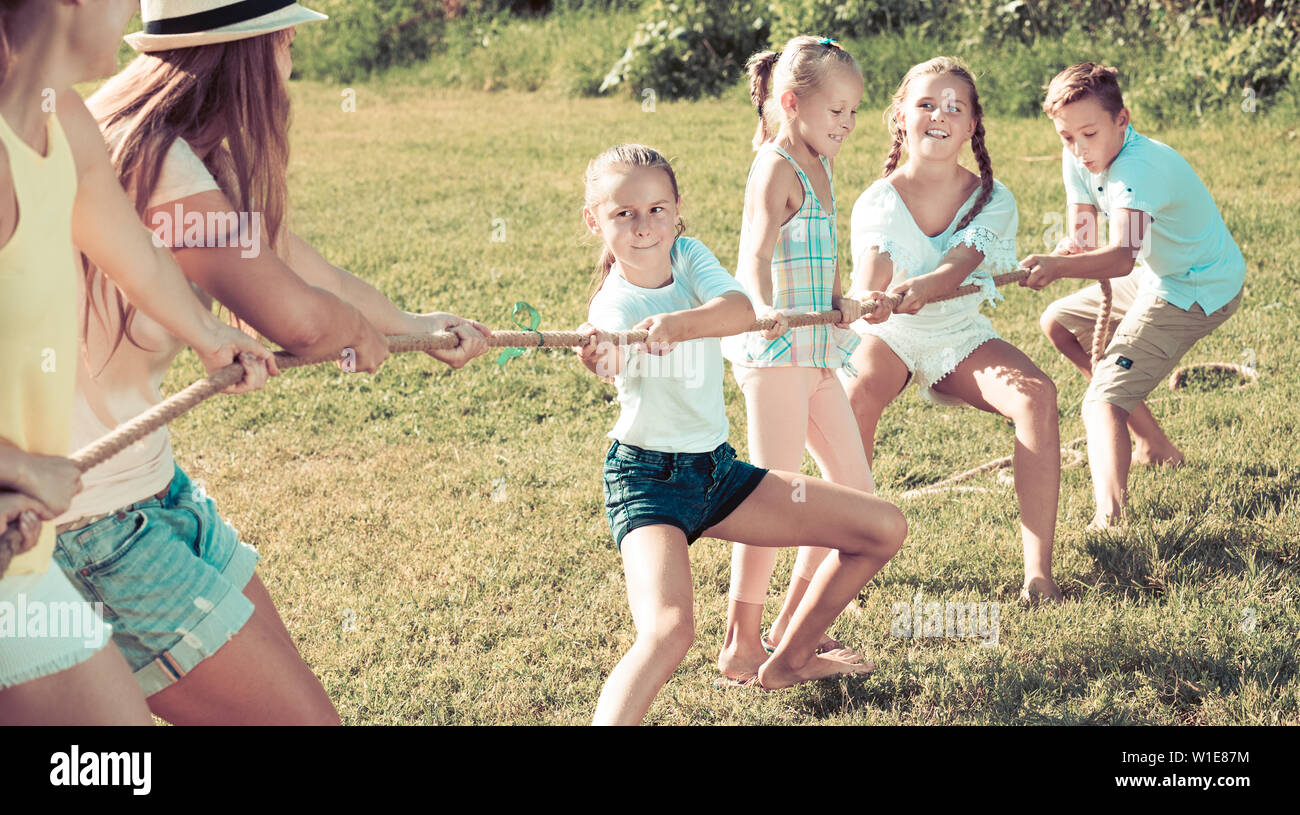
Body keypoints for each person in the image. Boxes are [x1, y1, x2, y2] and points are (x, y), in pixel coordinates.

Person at [48, 0, 489, 725]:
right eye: (285, 41)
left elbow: (311, 275)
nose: (291, 62)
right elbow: (302, 319)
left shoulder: (160, 142)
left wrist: (416, 326)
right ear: (255, 51)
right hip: (93, 525)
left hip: (153, 493)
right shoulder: (160, 163)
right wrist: (342, 330)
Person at [0, 0, 273, 725]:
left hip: (20, 555)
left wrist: (211, 336)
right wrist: (19, 465)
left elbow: (140, 261)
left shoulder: (61, 126)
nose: (131, 12)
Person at [573, 144, 907, 724]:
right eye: (623, 213)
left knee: (883, 527)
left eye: (656, 209)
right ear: (595, 222)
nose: (644, 225)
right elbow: (608, 361)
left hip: (718, 475)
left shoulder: (689, 255)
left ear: (678, 210)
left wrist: (677, 324)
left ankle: (790, 659)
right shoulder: (615, 301)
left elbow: (737, 310)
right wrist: (599, 354)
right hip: (647, 482)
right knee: (670, 630)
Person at [839, 57, 1063, 603]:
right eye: (925, 104)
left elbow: (958, 267)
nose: (939, 115)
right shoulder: (878, 199)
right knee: (856, 393)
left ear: (970, 127)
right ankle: (845, 555)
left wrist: (927, 288)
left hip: (958, 335)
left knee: (1037, 397)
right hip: (888, 334)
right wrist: (873, 300)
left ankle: (1038, 574)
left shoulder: (992, 197)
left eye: (954, 107)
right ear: (900, 118)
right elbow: (873, 270)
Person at [717, 36, 894, 682]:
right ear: (791, 103)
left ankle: (792, 636)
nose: (847, 124)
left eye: (853, 113)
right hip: (775, 354)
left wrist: (844, 300)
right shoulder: (775, 165)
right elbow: (756, 255)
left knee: (853, 497)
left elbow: (821, 260)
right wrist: (762, 304)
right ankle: (740, 643)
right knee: (774, 495)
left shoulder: (819, 162)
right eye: (837, 111)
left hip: (816, 352)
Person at [1023, 63, 1244, 529]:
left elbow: (1121, 256)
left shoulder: (1137, 171)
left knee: (1102, 400)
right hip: (1156, 274)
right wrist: (1071, 248)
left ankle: (1112, 519)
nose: (1080, 150)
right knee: (1059, 323)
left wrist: (1060, 265)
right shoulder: (1082, 154)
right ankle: (1155, 446)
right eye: (1067, 137)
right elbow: (1087, 235)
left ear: (1122, 119)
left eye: (1089, 133)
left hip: (1196, 288)